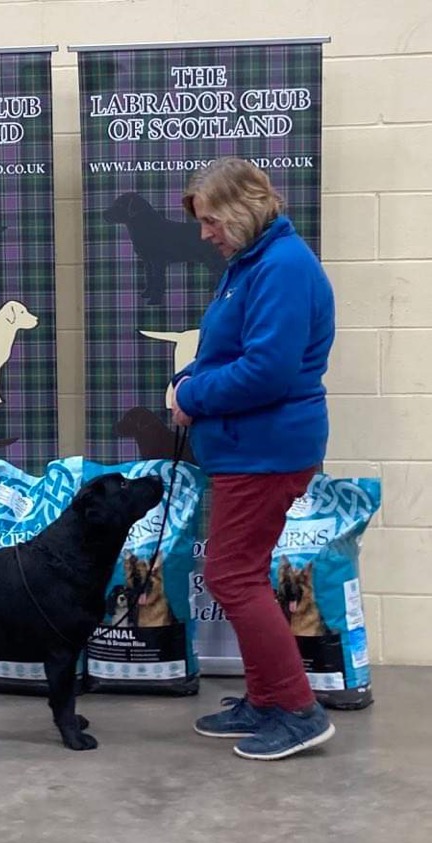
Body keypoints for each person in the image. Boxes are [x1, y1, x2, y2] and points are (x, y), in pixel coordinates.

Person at [171, 157, 336, 761]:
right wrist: (192, 375)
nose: (206, 234)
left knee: (231, 576)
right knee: (243, 572)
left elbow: (268, 371)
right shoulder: (253, 263)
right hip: (249, 446)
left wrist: (190, 394)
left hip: (265, 449)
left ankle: (296, 710)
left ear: (242, 209)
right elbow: (231, 350)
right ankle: (266, 699)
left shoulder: (282, 267)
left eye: (211, 220)